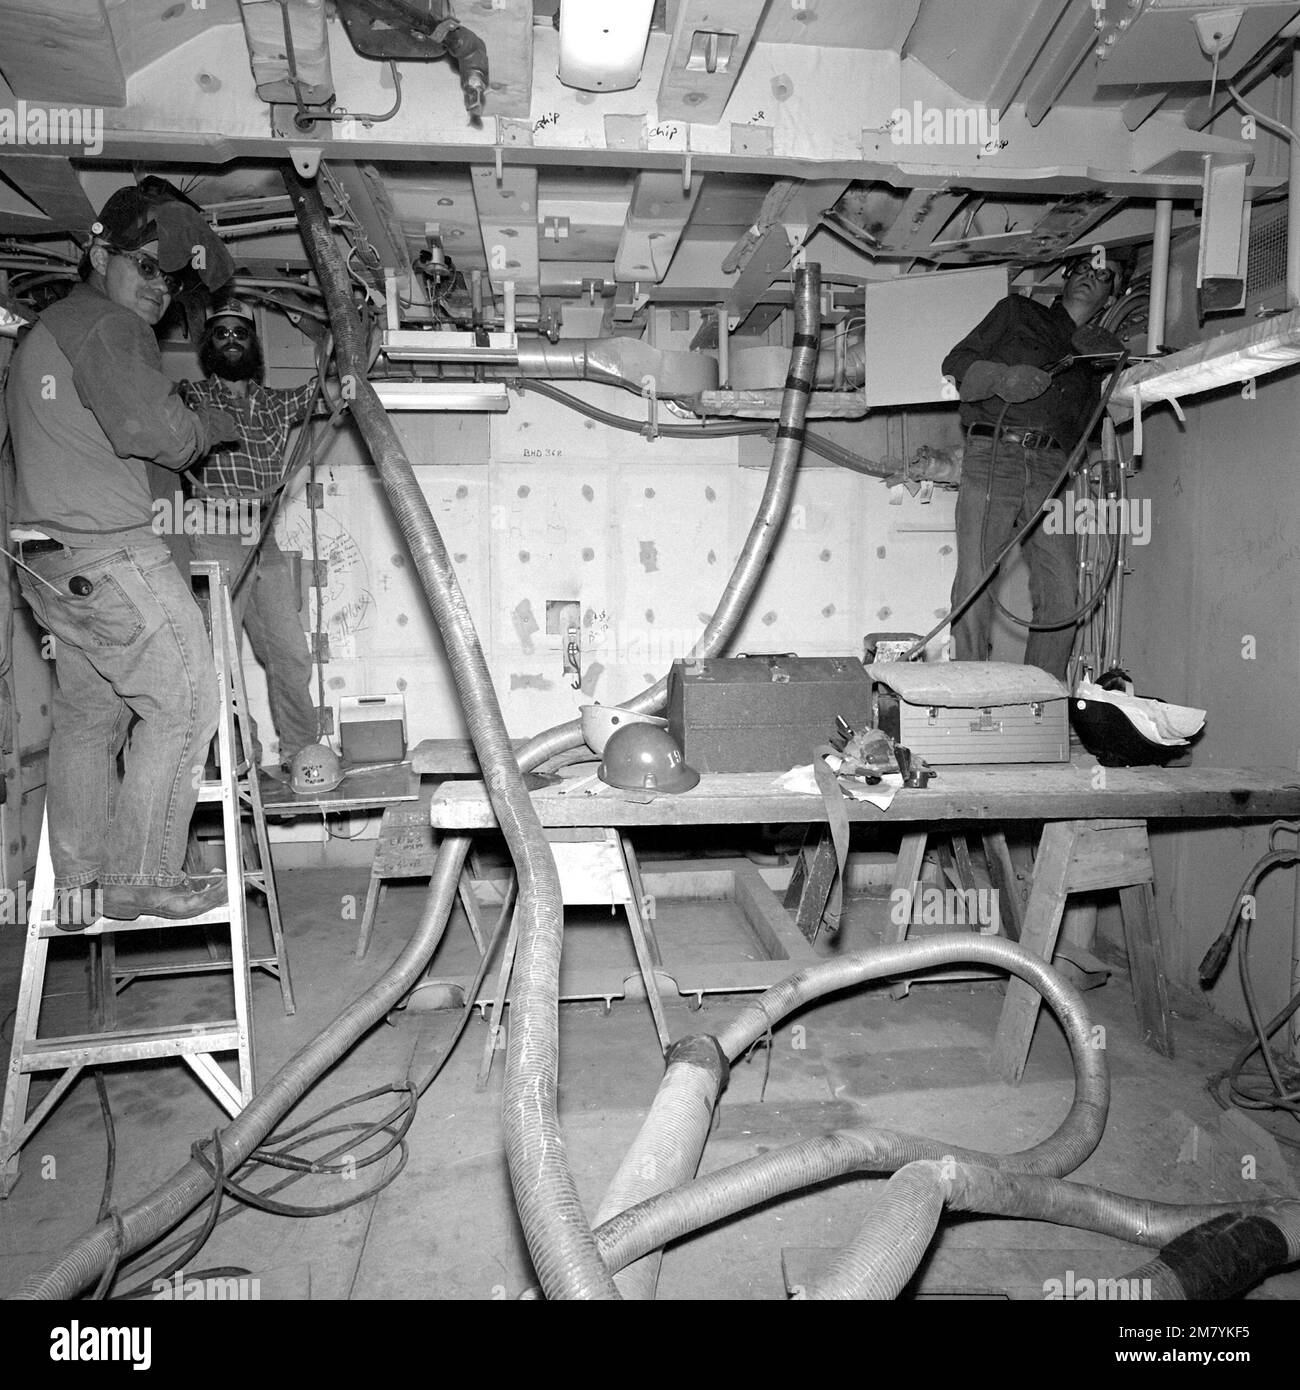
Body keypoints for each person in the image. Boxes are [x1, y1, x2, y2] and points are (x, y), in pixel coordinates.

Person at [5, 185, 241, 924]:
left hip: (46, 564)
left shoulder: (47, 332)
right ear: (98, 254)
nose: (157, 289)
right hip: (108, 557)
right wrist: (205, 423)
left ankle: (79, 883)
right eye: (144, 266)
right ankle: (139, 877)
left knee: (89, 718)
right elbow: (158, 434)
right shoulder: (104, 326)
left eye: (169, 279)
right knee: (189, 702)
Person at [941, 256, 1124, 681]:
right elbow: (957, 360)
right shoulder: (1018, 311)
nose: (1088, 277)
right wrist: (999, 377)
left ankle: (1042, 694)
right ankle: (968, 688)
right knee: (975, 577)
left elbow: (1088, 427)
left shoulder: (1098, 350)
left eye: (1102, 275)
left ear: (1111, 295)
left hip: (1054, 470)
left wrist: (1114, 370)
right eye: (1082, 268)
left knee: (1063, 588)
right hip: (995, 455)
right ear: (1065, 278)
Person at [179, 299, 321, 773]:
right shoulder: (192, 397)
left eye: (241, 333)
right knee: (221, 656)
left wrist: (334, 334)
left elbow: (333, 388)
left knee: (291, 651)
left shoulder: (275, 402)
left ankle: (302, 752)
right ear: (208, 345)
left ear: (254, 344)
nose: (232, 341)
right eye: (221, 333)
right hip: (214, 528)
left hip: (263, 534)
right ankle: (239, 754)